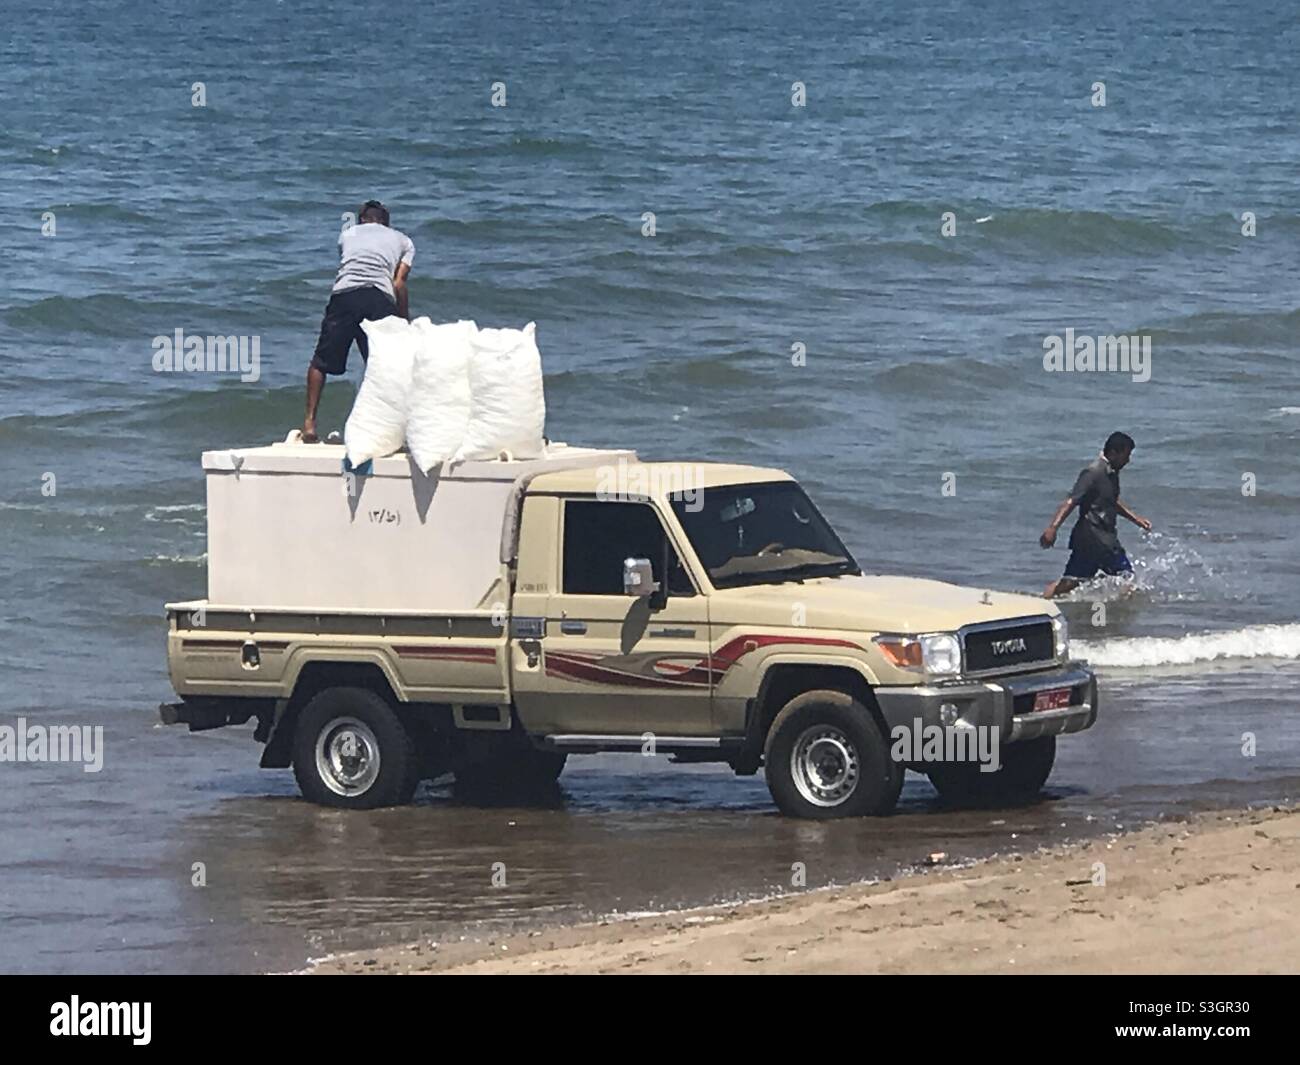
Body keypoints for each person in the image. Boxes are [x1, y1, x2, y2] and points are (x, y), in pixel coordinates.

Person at [302, 200, 414, 443]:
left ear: (362, 219)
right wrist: (404, 319)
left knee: (320, 362)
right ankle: (385, 430)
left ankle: (309, 423)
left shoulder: (347, 235)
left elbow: (348, 265)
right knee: (383, 364)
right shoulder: (403, 241)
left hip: (344, 295)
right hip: (378, 298)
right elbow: (398, 284)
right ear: (386, 222)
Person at [1040, 431, 1152, 598]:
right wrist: (1052, 528)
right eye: (1126, 456)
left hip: (1101, 538)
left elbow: (1111, 501)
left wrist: (1136, 519)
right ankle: (1112, 616)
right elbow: (1072, 501)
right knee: (1127, 580)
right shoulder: (1093, 472)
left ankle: (1043, 600)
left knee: (1070, 584)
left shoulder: (1112, 472)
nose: (1128, 461)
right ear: (1113, 453)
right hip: (1093, 538)